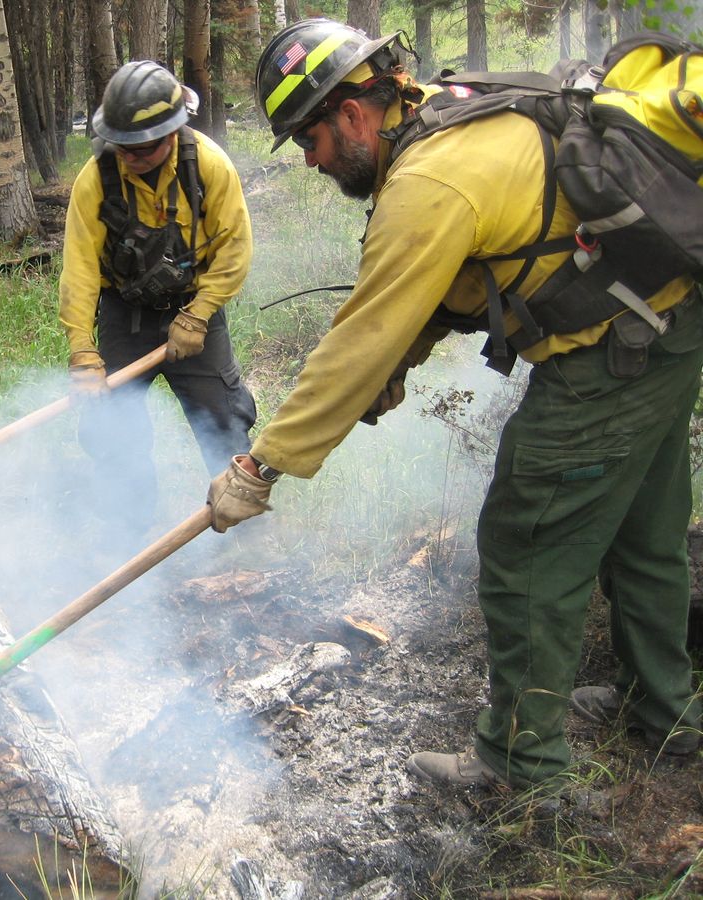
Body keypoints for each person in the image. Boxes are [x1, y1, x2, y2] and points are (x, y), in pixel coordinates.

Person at [206, 18, 702, 789]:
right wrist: (394, 367)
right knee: (643, 533)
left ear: (352, 113)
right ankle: (662, 712)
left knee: (526, 546)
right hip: (665, 327)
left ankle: (519, 768)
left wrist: (260, 467)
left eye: (309, 139)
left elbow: (358, 340)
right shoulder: (454, 110)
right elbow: (462, 277)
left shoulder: (426, 183)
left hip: (612, 359)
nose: (309, 161)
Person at [60, 60, 257, 537]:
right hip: (125, 316)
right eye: (123, 147)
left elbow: (235, 248)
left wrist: (199, 315)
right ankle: (129, 531)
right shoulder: (96, 178)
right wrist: (82, 351)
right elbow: (80, 267)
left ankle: (246, 535)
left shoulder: (208, 166)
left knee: (225, 421)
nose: (131, 156)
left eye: (143, 148)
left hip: (195, 311)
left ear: (173, 131)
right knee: (112, 430)